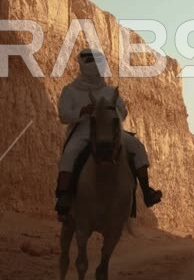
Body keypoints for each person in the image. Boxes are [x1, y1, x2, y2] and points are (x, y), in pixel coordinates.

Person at [55, 48, 163, 217]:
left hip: (110, 132)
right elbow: (63, 115)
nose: (94, 66)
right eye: (90, 62)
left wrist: (110, 112)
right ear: (83, 64)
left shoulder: (111, 92)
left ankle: (146, 191)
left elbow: (123, 113)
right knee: (69, 154)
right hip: (82, 132)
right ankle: (63, 196)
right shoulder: (70, 90)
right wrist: (83, 111)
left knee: (137, 147)